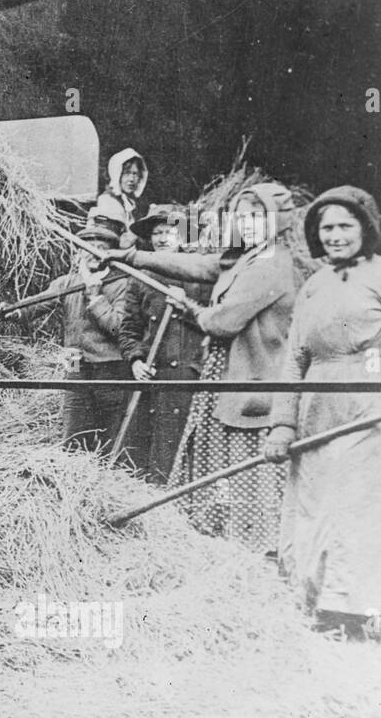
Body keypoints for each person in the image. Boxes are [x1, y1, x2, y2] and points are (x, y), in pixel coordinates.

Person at [263, 186, 381, 641]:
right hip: (318, 404)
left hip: (371, 401)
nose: (334, 236)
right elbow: (294, 357)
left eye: (344, 226)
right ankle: (314, 604)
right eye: (326, 228)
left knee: (361, 506)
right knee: (315, 503)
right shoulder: (313, 284)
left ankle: (353, 610)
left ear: (365, 228)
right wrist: (282, 422)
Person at [112, 182, 304, 555]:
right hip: (226, 377)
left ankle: (254, 554)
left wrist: (188, 308)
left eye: (257, 217)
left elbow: (222, 323)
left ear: (276, 221)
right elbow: (201, 265)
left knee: (247, 471)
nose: (247, 224)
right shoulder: (247, 257)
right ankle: (222, 546)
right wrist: (134, 258)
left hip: (253, 382)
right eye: (242, 217)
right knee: (221, 464)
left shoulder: (272, 264)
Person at [7, 216, 132, 459]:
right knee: (74, 422)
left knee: (111, 426)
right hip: (73, 361)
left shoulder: (122, 284)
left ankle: (109, 476)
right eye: (86, 250)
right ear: (77, 254)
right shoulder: (66, 283)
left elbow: (119, 328)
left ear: (110, 254)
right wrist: (15, 311)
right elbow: (38, 303)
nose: (92, 255)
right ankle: (74, 473)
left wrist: (95, 296)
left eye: (99, 250)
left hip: (110, 365)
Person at [118, 205, 207, 482]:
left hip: (189, 374)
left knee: (184, 448)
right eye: (157, 232)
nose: (163, 238)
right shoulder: (140, 277)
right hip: (151, 374)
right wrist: (135, 360)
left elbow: (216, 323)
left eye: (170, 231)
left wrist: (187, 305)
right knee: (147, 449)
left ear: (182, 236)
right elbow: (129, 327)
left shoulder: (199, 275)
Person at [93, 148, 148, 247]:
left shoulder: (131, 202)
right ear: (117, 174)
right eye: (126, 173)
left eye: (135, 174)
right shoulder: (108, 200)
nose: (131, 179)